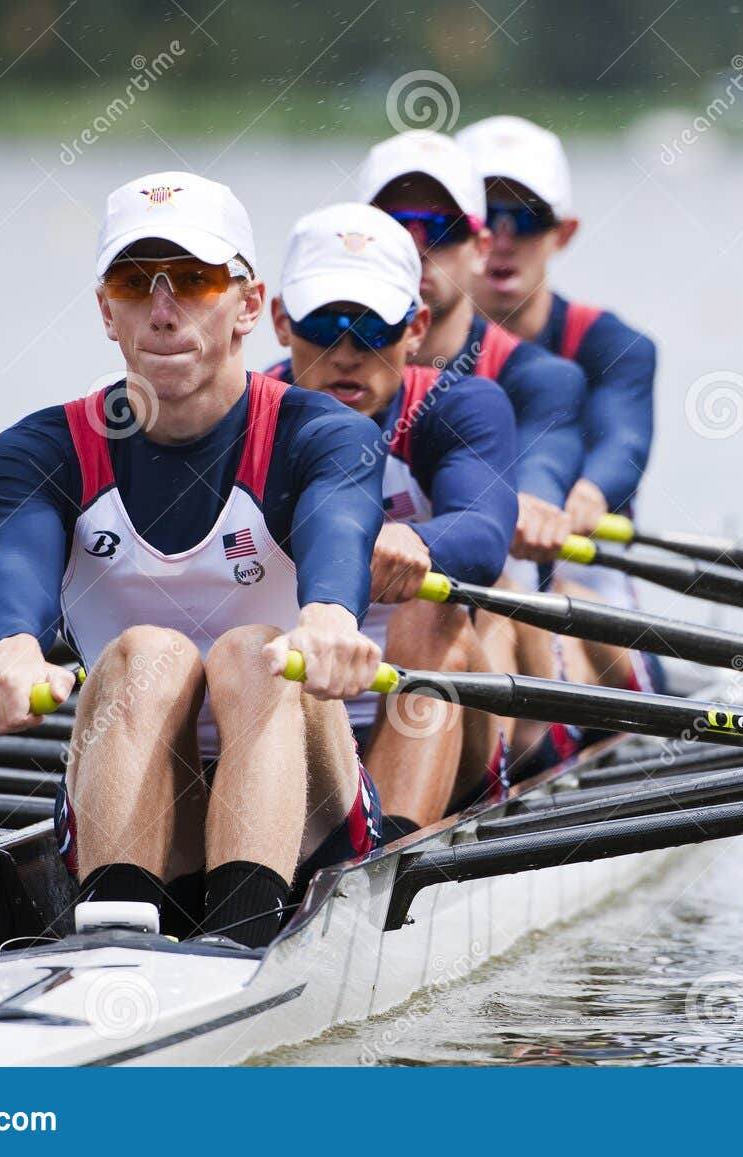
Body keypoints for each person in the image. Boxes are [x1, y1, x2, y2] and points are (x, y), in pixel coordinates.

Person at [0, 171, 387, 950]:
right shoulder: (35, 453)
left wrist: (328, 620)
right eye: (135, 282)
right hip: (144, 798)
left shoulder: (326, 437)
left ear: (248, 305)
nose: (163, 311)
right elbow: (16, 579)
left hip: (311, 815)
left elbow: (339, 533)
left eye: (194, 280)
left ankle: (241, 941)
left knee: (257, 652)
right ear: (106, 310)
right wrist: (14, 655)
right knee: (145, 654)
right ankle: (118, 948)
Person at [264, 202, 519, 829]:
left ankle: (388, 854)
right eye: (324, 325)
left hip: (440, 716)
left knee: (430, 614)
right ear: (278, 321)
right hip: (291, 704)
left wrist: (414, 539)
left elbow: (484, 536)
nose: (348, 354)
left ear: (416, 327)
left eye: (374, 328)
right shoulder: (241, 418)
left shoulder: (459, 407)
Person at [355, 129, 588, 756]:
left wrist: (535, 500)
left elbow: (548, 454)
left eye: (441, 229)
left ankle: (522, 754)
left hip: (501, 623)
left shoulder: (535, 378)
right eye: (393, 226)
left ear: (477, 246)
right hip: (350, 647)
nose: (415, 247)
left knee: (504, 597)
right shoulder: (300, 382)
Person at [458, 115, 663, 698]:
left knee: (524, 598)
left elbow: (622, 444)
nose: (503, 237)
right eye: (484, 218)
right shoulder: (405, 350)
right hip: (471, 593)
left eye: (526, 217)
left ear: (563, 232)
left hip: (592, 600)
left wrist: (586, 497)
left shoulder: (612, 346)